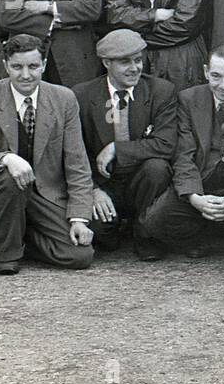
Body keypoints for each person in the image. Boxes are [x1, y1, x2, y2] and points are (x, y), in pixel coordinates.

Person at [0, 33, 95, 274]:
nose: (25, 75)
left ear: (44, 65)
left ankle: (25, 237)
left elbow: (77, 163)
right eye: (17, 67)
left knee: (80, 256)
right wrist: (6, 159)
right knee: (9, 180)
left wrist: (79, 218)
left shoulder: (64, 99)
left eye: (33, 66)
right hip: (0, 191)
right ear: (5, 66)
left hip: (46, 192)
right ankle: (7, 254)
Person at [136, 44, 224, 259]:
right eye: (216, 76)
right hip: (202, 182)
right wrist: (195, 198)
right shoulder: (188, 99)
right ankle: (198, 239)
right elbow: (183, 155)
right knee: (155, 220)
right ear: (205, 72)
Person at [72, 29, 177, 261]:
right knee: (104, 239)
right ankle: (113, 226)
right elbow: (74, 151)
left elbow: (166, 144)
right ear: (106, 62)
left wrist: (116, 149)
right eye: (125, 62)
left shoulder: (161, 91)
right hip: (104, 183)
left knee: (157, 168)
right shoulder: (81, 95)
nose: (135, 68)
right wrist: (92, 190)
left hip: (142, 181)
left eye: (138, 60)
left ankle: (145, 233)